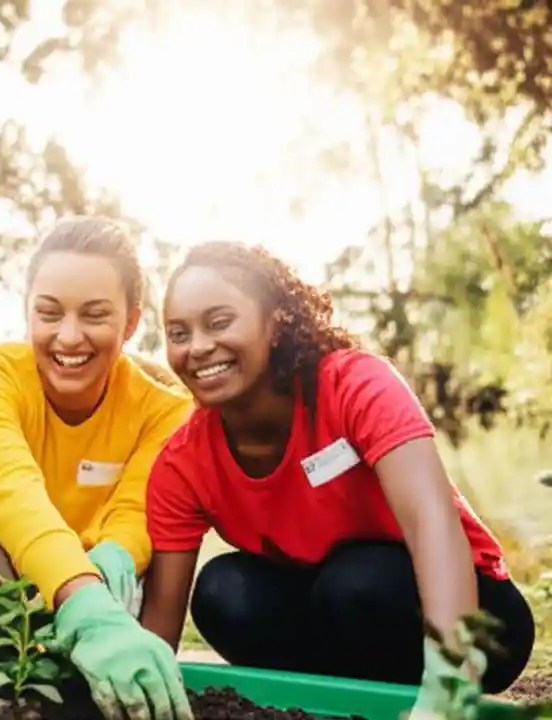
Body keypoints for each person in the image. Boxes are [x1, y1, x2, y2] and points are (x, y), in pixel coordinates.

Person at [140, 241, 536, 715]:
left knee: (356, 582)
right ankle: (330, 704)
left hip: (471, 615)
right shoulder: (181, 464)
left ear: (276, 321)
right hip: (334, 619)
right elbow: (159, 630)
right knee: (224, 590)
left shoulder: (355, 386)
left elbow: (431, 522)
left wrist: (452, 686)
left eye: (219, 322)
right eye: (178, 333)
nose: (198, 347)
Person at [0, 216, 195, 720]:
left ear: (130, 322)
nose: (69, 336)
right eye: (49, 313)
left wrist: (111, 568)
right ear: (27, 312)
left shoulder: (166, 409)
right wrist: (83, 603)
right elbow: (14, 497)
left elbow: (136, 510)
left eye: (95, 315)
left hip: (104, 589)